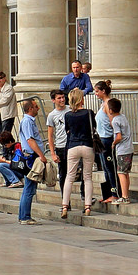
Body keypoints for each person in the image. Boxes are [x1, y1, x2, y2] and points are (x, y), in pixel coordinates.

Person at [59, 88, 98, 219]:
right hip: (87, 145)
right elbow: (94, 127)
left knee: (69, 177)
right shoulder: (89, 113)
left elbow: (67, 131)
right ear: (81, 99)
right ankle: (87, 206)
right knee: (87, 177)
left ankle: (65, 206)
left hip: (73, 145)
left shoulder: (68, 115)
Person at [13, 97, 47, 223]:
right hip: (31, 157)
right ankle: (24, 216)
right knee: (29, 187)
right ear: (30, 108)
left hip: (32, 156)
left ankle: (24, 215)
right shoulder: (27, 121)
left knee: (29, 187)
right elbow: (30, 140)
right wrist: (41, 155)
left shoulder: (29, 121)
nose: (38, 108)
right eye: (36, 106)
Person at [92, 80, 121, 205]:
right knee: (105, 167)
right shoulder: (103, 103)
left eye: (97, 91)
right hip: (101, 137)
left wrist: (114, 139)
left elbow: (112, 121)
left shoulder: (108, 103)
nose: (95, 93)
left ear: (103, 91)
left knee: (110, 167)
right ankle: (109, 192)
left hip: (107, 138)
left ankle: (115, 193)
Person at [106, 96, 134, 203]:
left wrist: (113, 143)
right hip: (129, 148)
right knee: (126, 173)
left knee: (121, 173)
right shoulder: (123, 117)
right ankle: (125, 193)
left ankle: (124, 196)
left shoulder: (115, 121)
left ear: (110, 110)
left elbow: (119, 136)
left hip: (122, 149)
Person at [0, 72, 17, 147]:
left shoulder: (8, 88)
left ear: (5, 78)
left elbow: (5, 101)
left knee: (5, 136)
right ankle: (4, 153)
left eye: (0, 78)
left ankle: (7, 153)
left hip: (7, 115)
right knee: (1, 136)